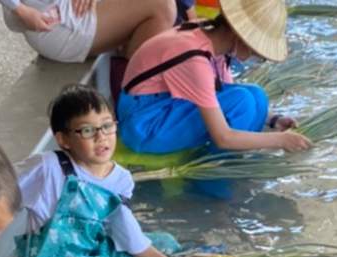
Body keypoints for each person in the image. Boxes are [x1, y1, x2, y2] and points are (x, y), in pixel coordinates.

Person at [16, 84, 191, 257]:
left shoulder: (120, 179)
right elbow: (0, 192)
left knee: (165, 243)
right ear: (63, 139)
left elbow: (129, 236)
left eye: (107, 126)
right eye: (87, 130)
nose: (101, 137)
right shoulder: (48, 168)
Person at [116, 0, 312, 155]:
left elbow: (226, 89)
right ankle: (216, 181)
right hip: (143, 124)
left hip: (164, 105)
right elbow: (223, 137)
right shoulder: (195, 58)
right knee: (241, 102)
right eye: (256, 49)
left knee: (255, 95)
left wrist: (273, 119)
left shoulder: (211, 36)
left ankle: (230, 162)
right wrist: (281, 140)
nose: (257, 55)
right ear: (240, 36)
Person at [0, 0, 177, 63]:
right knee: (162, 6)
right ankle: (138, 93)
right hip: (56, 24)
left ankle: (135, 79)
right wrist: (20, 10)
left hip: (72, 11)